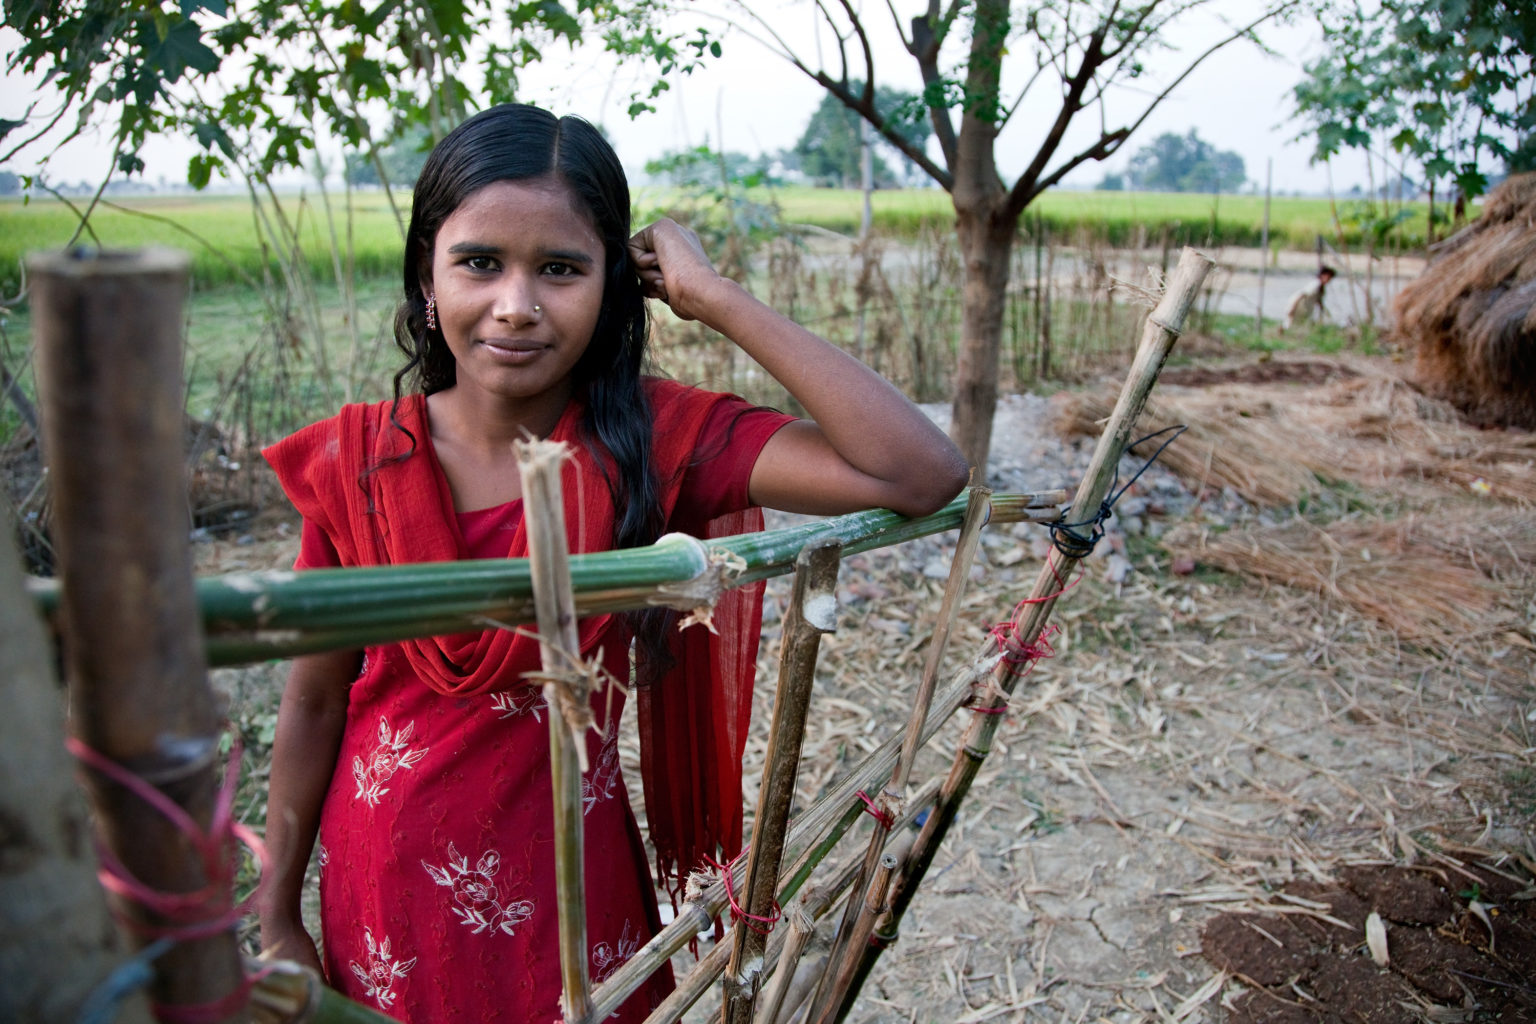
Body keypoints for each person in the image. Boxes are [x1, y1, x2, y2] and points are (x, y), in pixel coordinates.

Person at [255, 103, 968, 1022]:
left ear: (611, 287)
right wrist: (275, 910)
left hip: (569, 900)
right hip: (384, 895)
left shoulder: (653, 443)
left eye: (560, 268)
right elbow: (314, 701)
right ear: (427, 271)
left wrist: (714, 297)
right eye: (480, 262)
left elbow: (922, 471)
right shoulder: (358, 467)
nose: (516, 305)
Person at [1283, 264, 1336, 331]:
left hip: (1305, 309)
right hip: (1299, 306)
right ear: (1323, 276)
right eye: (1328, 278)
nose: (1328, 280)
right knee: (1290, 324)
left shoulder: (1321, 288)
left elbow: (1318, 300)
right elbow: (1301, 295)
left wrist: (1324, 312)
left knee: (1299, 325)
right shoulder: (1315, 284)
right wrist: (1292, 308)